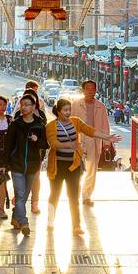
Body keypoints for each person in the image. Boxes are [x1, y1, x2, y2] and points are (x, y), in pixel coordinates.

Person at [44, 97, 115, 236]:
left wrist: (107, 137)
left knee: (73, 196)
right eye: (65, 110)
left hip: (74, 165)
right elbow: (53, 143)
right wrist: (69, 145)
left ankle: (76, 226)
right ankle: (50, 221)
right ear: (58, 111)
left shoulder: (75, 122)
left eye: (69, 109)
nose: (68, 112)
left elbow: (89, 130)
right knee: (54, 195)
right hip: (57, 166)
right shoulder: (51, 126)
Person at [3, 92, 47, 235]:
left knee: (24, 196)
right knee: (20, 195)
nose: (24, 107)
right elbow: (8, 145)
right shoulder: (16, 124)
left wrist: (37, 140)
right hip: (17, 165)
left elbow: (45, 145)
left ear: (34, 107)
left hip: (32, 166)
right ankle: (24, 222)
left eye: (27, 105)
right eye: (22, 105)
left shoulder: (39, 125)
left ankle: (16, 218)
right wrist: (4, 164)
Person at [70, 80, 111, 207]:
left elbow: (105, 125)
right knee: (76, 168)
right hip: (79, 139)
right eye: (87, 88)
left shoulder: (101, 106)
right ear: (83, 90)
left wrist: (106, 143)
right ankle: (74, 195)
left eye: (92, 88)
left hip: (94, 138)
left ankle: (87, 195)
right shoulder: (76, 104)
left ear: (96, 90)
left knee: (92, 168)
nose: (90, 91)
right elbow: (71, 122)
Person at [23, 80, 47, 213]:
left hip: (37, 151)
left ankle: (35, 202)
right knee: (22, 177)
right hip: (21, 151)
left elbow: (45, 133)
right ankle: (21, 203)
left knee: (36, 177)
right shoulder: (18, 114)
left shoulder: (41, 115)